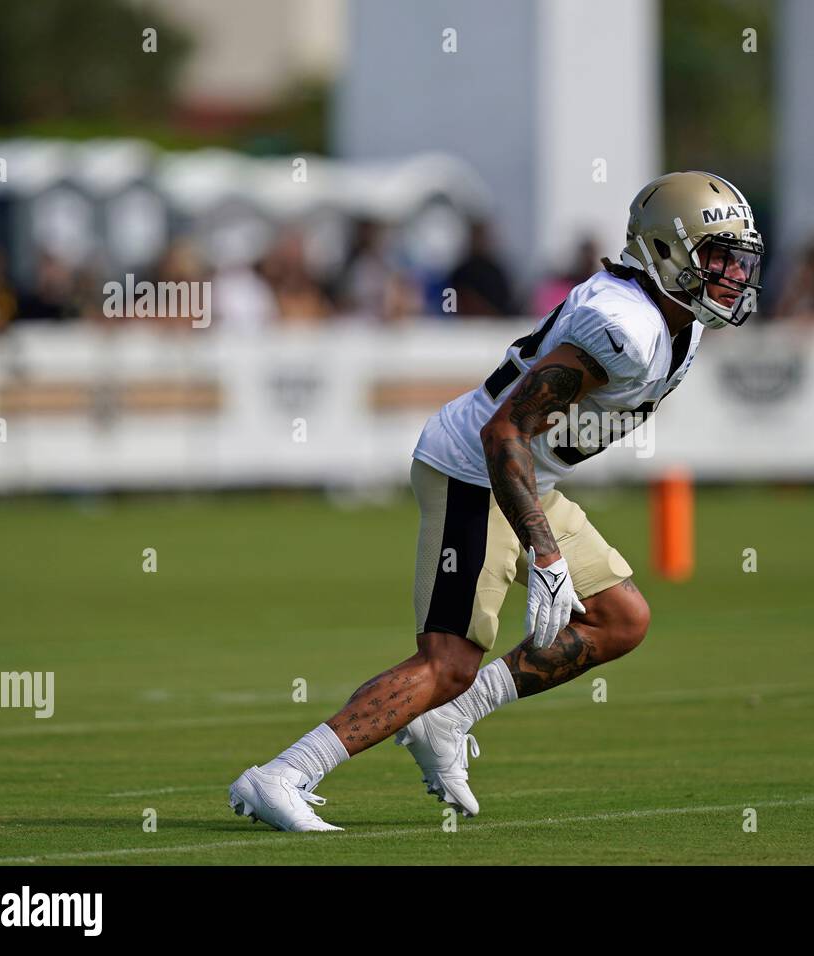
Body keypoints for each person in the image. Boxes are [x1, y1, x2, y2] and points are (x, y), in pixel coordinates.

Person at [227, 171, 765, 830]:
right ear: (665, 253)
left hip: (525, 476)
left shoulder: (680, 322)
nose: (733, 274)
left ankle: (451, 718)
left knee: (618, 619)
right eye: (717, 257)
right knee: (447, 662)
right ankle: (281, 775)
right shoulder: (623, 325)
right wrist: (544, 554)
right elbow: (503, 429)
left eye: (737, 258)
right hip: (475, 471)